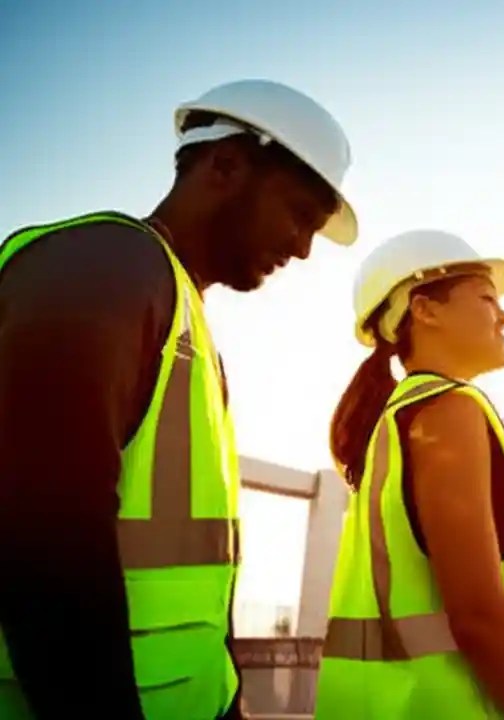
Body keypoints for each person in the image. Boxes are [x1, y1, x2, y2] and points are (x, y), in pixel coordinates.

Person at [0, 79, 357, 720]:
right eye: (299, 213)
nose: (304, 248)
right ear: (225, 164)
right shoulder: (103, 265)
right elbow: (43, 537)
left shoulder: (180, 315)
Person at [314, 230, 504, 719]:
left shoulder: (400, 416)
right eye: (488, 298)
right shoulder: (448, 410)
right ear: (425, 309)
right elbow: (479, 618)